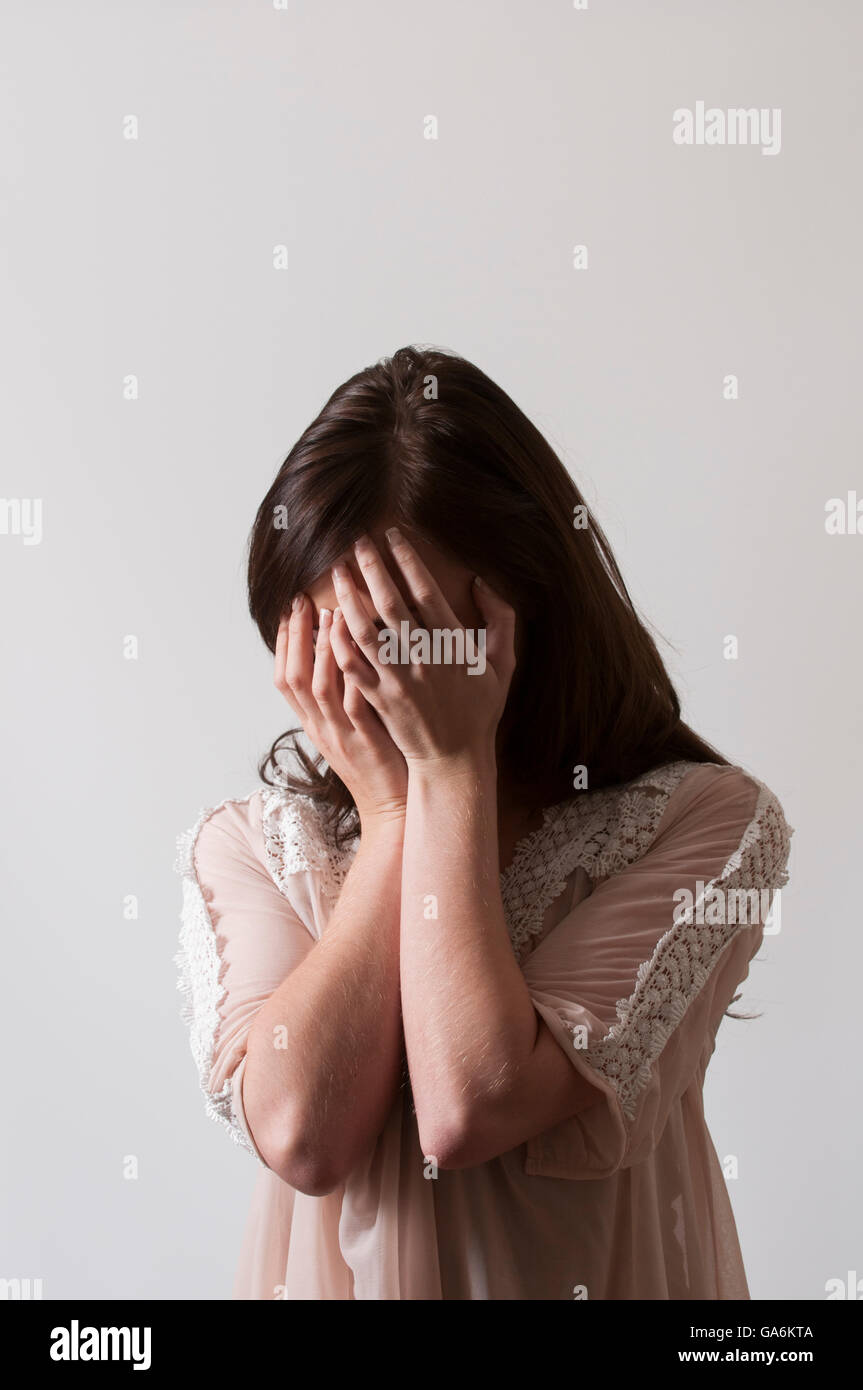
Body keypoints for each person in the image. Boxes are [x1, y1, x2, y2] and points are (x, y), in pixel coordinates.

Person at [175, 345, 792, 1299]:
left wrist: (451, 766)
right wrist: (391, 815)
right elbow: (301, 1134)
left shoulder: (705, 824)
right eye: (337, 640)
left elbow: (470, 1105)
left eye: (407, 630)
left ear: (527, 606)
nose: (379, 679)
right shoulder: (252, 845)